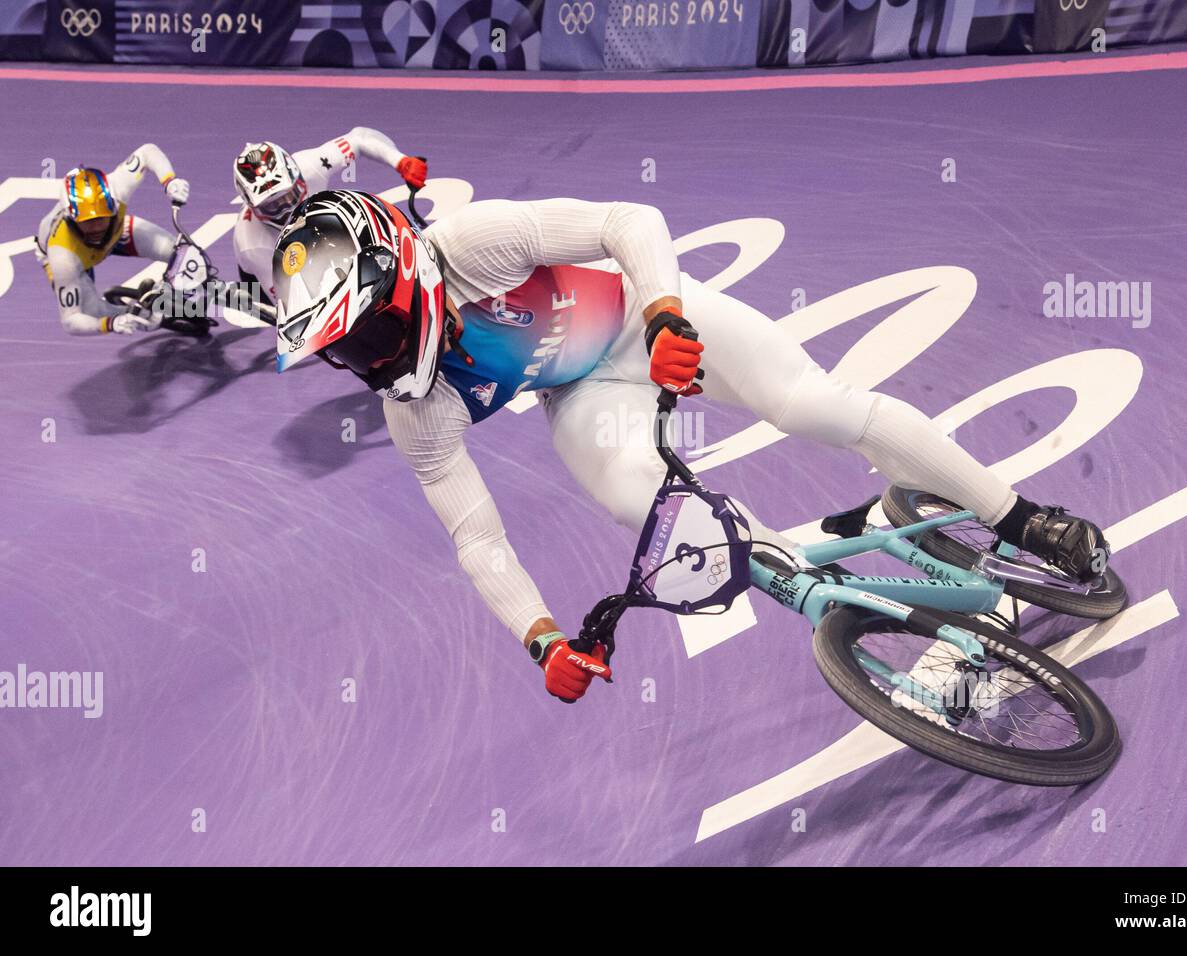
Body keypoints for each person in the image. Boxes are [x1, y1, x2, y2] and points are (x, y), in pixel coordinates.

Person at [272, 189, 1110, 704]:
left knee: (811, 404)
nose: (370, 363)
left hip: (644, 318)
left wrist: (666, 311)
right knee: (667, 518)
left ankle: (1024, 520)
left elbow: (625, 220)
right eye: (344, 353)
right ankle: (839, 602)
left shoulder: (476, 241)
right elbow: (476, 537)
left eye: (370, 331)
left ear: (408, 273)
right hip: (584, 392)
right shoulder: (417, 411)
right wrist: (542, 638)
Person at [231, 132, 426, 305]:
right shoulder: (252, 244)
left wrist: (400, 161)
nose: (285, 211)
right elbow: (287, 307)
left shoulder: (310, 165)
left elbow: (359, 139)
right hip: (271, 267)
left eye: (289, 196)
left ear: (298, 177)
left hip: (316, 231)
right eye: (272, 206)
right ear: (252, 205)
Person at [35, 148, 191, 335]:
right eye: (87, 222)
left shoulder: (117, 187)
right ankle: (134, 314)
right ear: (71, 219)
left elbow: (148, 152)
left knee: (181, 252)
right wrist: (112, 323)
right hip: (78, 255)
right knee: (91, 312)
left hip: (117, 232)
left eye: (101, 218)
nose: (96, 229)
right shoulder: (62, 258)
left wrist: (169, 181)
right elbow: (71, 320)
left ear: (113, 207)